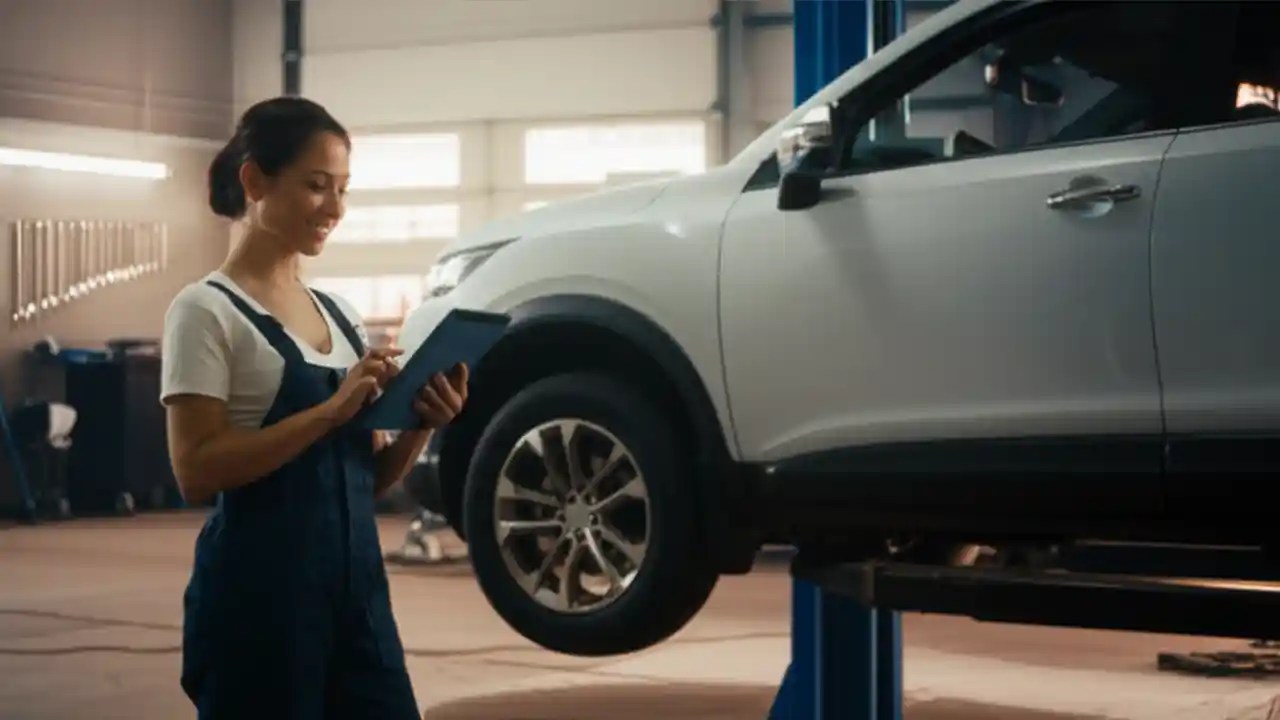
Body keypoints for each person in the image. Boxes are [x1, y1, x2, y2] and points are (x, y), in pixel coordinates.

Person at [159, 95, 468, 719]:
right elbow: (195, 470)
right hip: (258, 603)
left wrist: (420, 426)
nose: (335, 208)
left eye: (343, 189)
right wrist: (327, 414)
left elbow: (363, 481)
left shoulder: (341, 316)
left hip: (358, 600)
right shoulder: (204, 311)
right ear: (255, 181)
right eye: (316, 185)